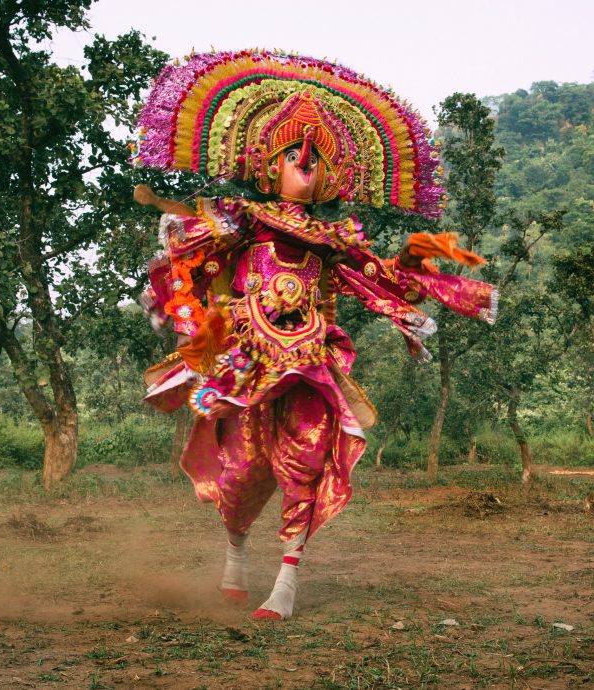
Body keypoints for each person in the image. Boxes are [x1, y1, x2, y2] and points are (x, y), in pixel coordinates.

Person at [133, 50, 497, 620]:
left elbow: (378, 276)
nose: (303, 159)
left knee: (302, 461)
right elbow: (190, 262)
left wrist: (418, 307)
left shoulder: (336, 239)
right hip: (246, 361)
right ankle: (235, 554)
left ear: (332, 172)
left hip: (310, 358)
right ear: (265, 163)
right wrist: (180, 303)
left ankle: (286, 582)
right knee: (245, 470)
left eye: (315, 155)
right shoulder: (241, 222)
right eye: (291, 151)